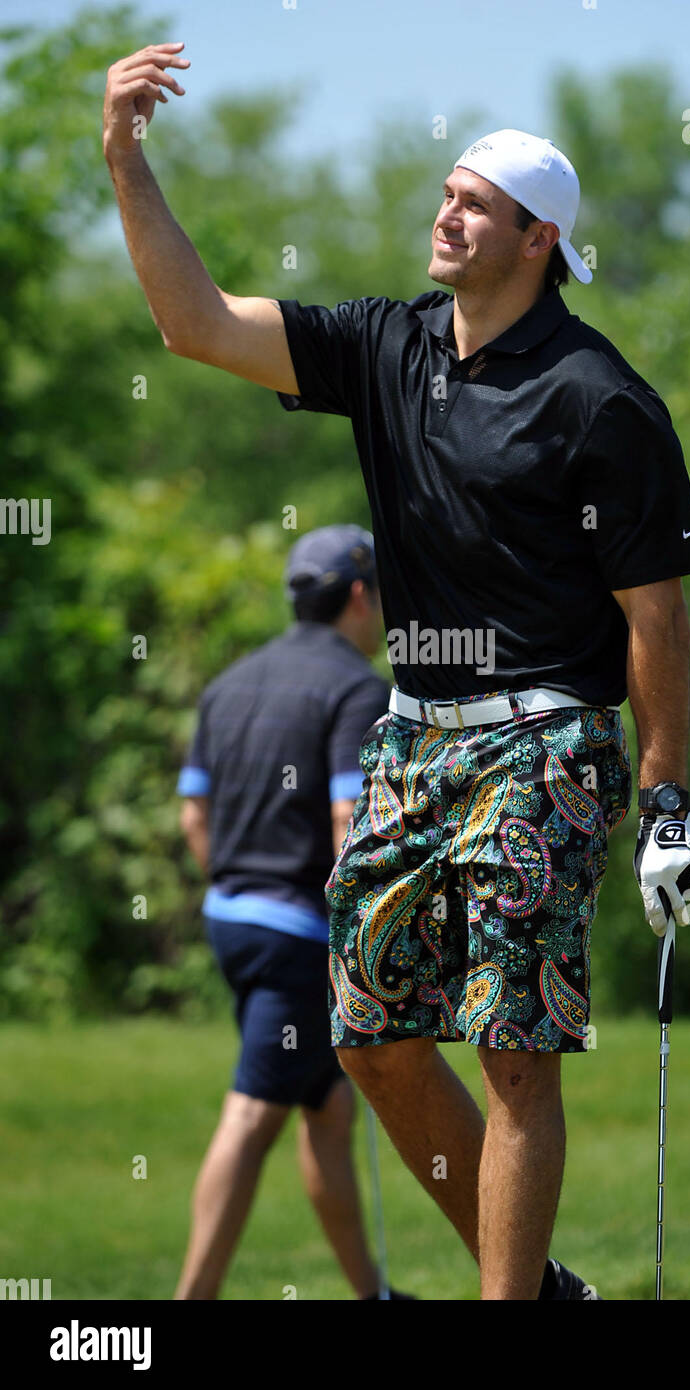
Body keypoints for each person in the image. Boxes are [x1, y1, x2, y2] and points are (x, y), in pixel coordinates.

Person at [104, 47, 690, 1300]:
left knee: (512, 1049)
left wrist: (668, 802)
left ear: (538, 239)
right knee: (370, 1032)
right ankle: (537, 1286)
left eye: (473, 203)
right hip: (414, 738)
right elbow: (196, 323)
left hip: (545, 739)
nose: (445, 214)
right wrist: (125, 156)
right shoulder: (388, 348)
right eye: (445, 193)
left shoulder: (602, 400)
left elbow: (654, 618)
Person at [174, 525, 397, 1300]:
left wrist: (236, 891)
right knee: (252, 1114)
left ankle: (371, 1293)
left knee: (329, 1107)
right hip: (296, 933)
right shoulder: (357, 687)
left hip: (229, 918)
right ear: (362, 595)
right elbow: (349, 824)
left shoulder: (228, 683)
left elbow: (193, 817)